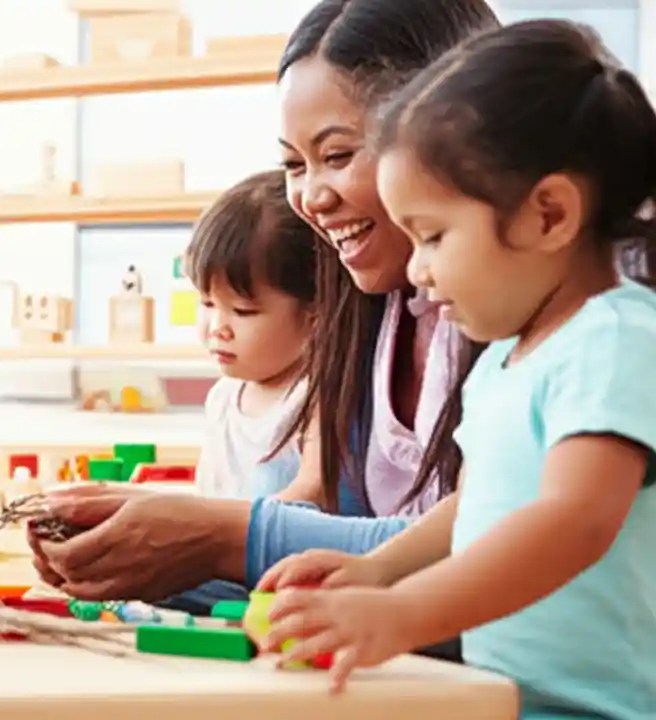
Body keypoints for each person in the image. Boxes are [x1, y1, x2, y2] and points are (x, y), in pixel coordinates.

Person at [29, 0, 499, 605]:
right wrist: (152, 539)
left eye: (336, 156)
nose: (311, 197)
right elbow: (340, 538)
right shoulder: (372, 308)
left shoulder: (533, 324)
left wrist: (219, 536)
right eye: (291, 164)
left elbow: (493, 552)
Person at [262, 20, 656, 718]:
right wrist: (379, 572)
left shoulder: (615, 340)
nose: (417, 269)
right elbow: (476, 507)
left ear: (549, 214)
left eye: (434, 236)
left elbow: (574, 520)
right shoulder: (506, 359)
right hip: (505, 697)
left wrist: (408, 613)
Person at [189, 169, 316, 503]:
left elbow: (312, 495)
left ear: (316, 314)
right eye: (207, 303)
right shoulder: (222, 399)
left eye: (243, 311)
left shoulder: (313, 399)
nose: (217, 326)